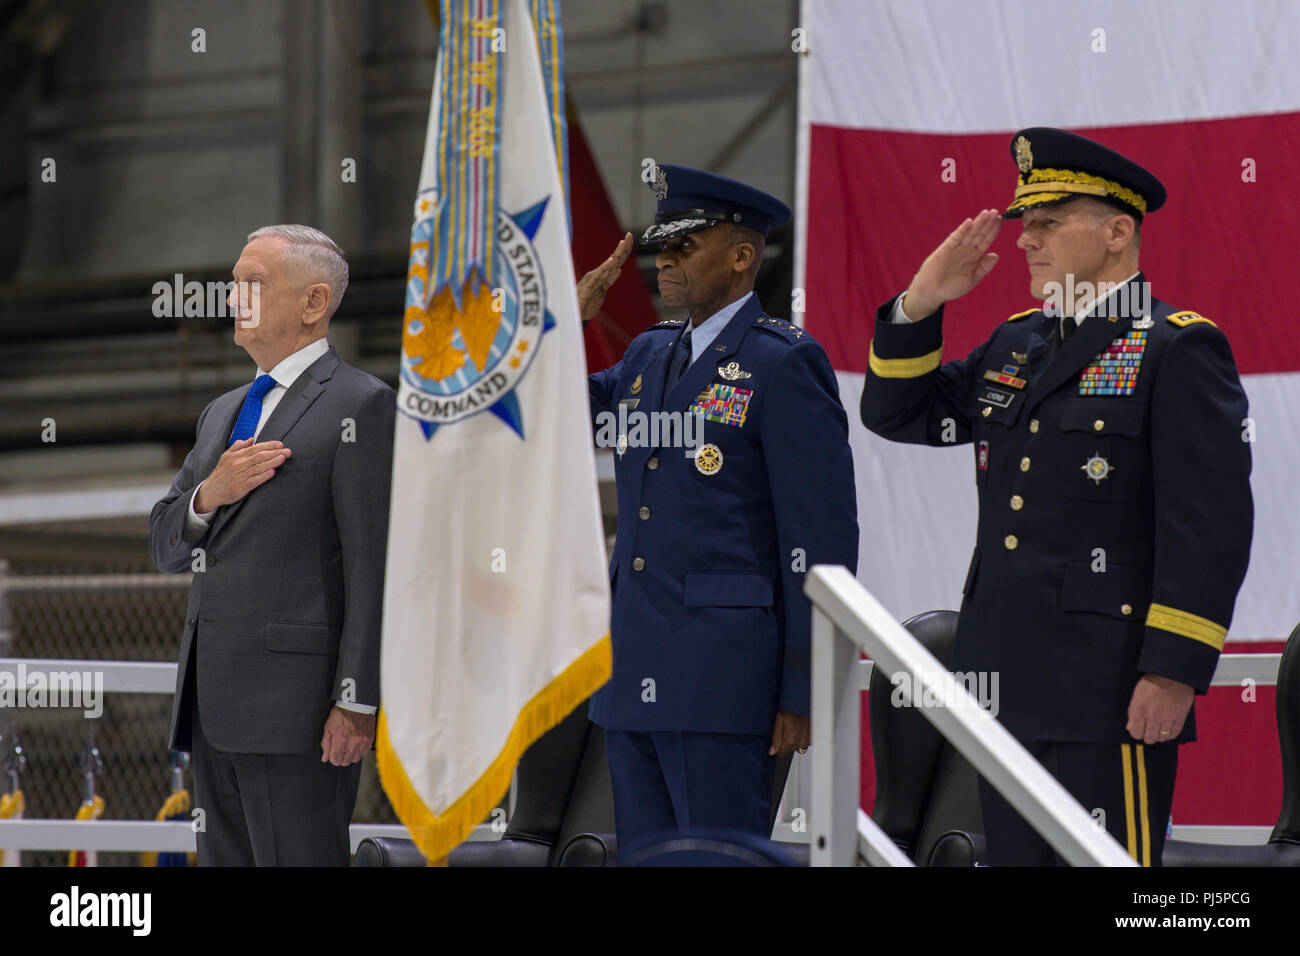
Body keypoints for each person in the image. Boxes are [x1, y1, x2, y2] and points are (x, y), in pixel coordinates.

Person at [859, 128, 1253, 866]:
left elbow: (1211, 526)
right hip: (1007, 673)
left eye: (1047, 223)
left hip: (1108, 682)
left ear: (1116, 231)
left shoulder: (1175, 345)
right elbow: (899, 415)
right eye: (1024, 225)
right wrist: (920, 302)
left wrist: (1171, 671)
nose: (1025, 242)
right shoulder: (1015, 343)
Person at [577, 164, 859, 850]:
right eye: (663, 247)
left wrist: (802, 688)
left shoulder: (783, 363)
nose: (665, 261)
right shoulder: (646, 354)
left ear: (740, 257)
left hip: (727, 680)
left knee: (720, 860)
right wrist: (555, 321)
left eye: (685, 246)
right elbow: (543, 417)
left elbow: (820, 538)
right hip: (634, 667)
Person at [148, 224, 395, 866]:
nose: (234, 298)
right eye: (233, 284)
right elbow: (164, 541)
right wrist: (211, 494)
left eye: (252, 284)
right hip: (211, 706)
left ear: (314, 303)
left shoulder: (362, 404)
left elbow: (374, 565)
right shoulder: (220, 413)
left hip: (300, 712)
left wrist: (357, 699)